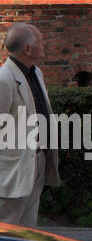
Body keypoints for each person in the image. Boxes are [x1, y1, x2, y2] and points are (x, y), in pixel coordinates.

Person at [0, 23, 60, 226]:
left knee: (28, 229)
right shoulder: (4, 79)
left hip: (37, 161)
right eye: (41, 41)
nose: (44, 44)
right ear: (27, 48)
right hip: (12, 169)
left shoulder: (36, 73)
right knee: (8, 229)